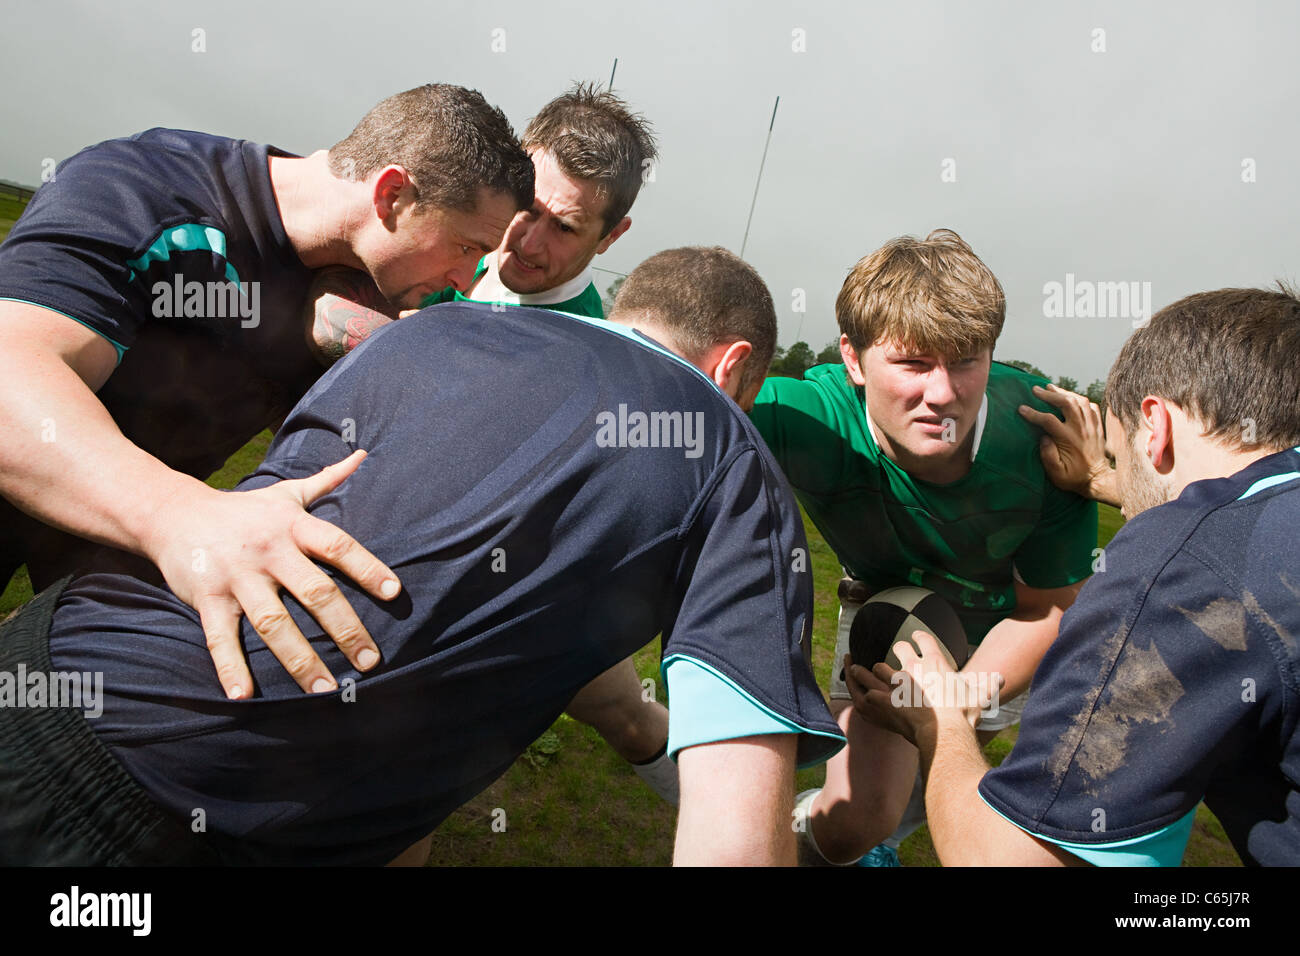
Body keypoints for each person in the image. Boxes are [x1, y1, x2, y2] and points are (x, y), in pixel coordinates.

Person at [0, 246, 844, 866]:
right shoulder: (734, 458)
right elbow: (734, 840)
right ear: (734, 366)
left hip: (48, 654)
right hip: (197, 810)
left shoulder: (430, 330)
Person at [0, 84, 535, 701]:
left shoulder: (353, 295)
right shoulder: (148, 189)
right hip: (94, 487)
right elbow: (16, 367)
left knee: (81, 694)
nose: (465, 280)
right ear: (392, 194)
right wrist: (180, 514)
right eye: (467, 247)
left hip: (108, 529)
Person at [306, 85, 677, 803]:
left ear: (614, 235)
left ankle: (765, 828)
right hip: (359, 537)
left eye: (565, 228)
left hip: (502, 590)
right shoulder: (443, 242)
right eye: (527, 209)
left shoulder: (597, 364)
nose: (527, 243)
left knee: (625, 719)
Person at [850, 286, 1300, 866]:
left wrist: (940, 721)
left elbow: (1008, 864)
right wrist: (1099, 481)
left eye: (1119, 452)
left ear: (1155, 426)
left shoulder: (1185, 568)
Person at [748, 229, 1097, 865]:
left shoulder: (1047, 445)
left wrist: (955, 701)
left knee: (944, 786)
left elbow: (1048, 606)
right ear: (853, 359)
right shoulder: (809, 418)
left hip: (1003, 637)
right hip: (890, 614)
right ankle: (815, 836)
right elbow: (679, 394)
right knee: (859, 819)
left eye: (966, 360)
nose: (942, 393)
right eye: (913, 364)